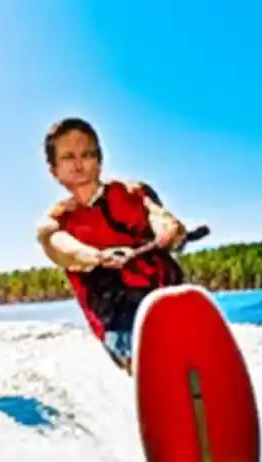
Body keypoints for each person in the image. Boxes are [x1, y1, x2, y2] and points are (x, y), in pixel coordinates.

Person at [35, 117, 189, 373]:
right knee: (129, 321)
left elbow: (159, 215)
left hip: (166, 299)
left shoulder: (132, 193)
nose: (78, 163)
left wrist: (169, 230)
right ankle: (150, 376)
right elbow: (57, 245)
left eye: (87, 154)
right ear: (54, 170)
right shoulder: (56, 221)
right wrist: (95, 256)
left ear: (99, 160)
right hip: (118, 322)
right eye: (68, 157)